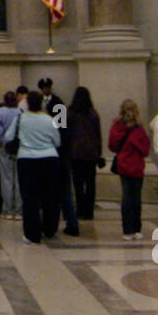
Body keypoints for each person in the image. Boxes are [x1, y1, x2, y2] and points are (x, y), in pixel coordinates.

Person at [5, 92, 63, 244]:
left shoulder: (20, 119)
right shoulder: (49, 119)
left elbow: (8, 137)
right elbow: (57, 141)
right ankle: (50, 229)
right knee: (49, 196)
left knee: (30, 198)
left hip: (27, 159)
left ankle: (32, 234)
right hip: (49, 159)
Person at [38, 77, 80, 236]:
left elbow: (62, 130)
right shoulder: (40, 103)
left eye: (47, 86)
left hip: (58, 153)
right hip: (50, 153)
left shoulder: (58, 103)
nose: (46, 89)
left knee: (63, 192)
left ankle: (71, 223)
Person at [107, 99, 150, 240]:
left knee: (126, 196)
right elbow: (145, 150)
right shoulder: (139, 129)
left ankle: (127, 230)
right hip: (136, 165)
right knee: (136, 197)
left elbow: (112, 146)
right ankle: (137, 229)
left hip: (123, 164)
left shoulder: (116, 126)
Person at [67, 86, 102, 220]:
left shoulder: (70, 113)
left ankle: (80, 209)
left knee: (78, 183)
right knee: (90, 183)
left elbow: (67, 134)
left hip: (75, 153)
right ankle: (89, 211)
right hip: (91, 153)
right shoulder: (93, 113)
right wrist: (99, 153)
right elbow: (98, 136)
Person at [0, 91, 22, 219]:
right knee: (18, 179)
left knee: (6, 179)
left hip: (5, 148)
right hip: (19, 147)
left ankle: (8, 209)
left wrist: (1, 139)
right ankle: (19, 209)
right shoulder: (20, 112)